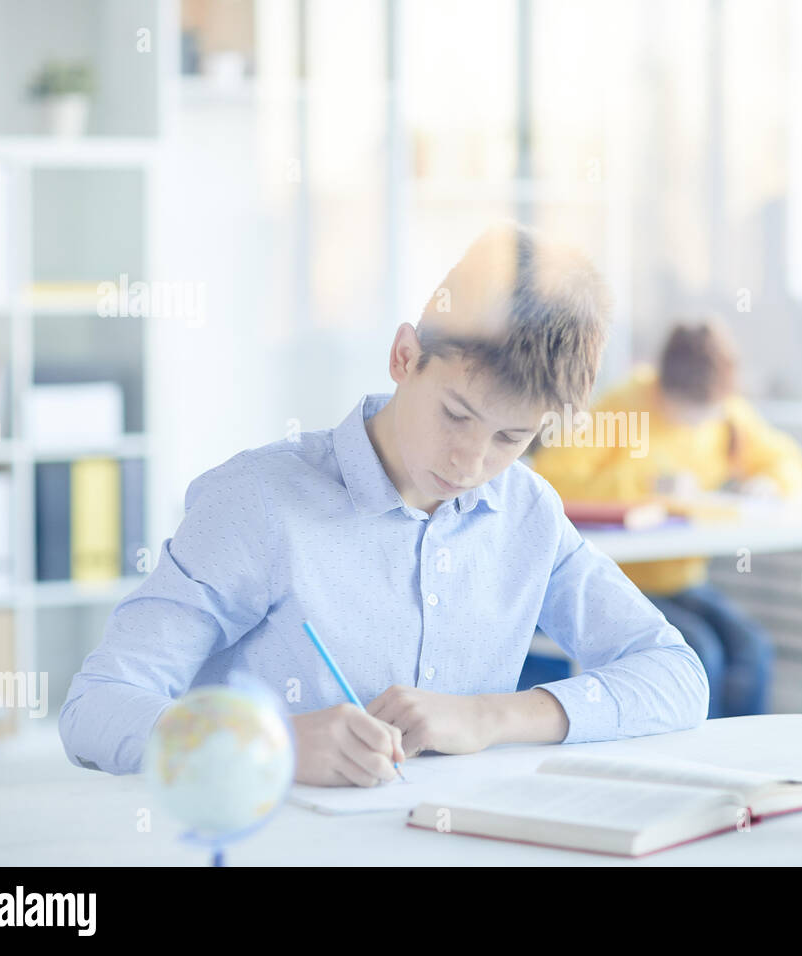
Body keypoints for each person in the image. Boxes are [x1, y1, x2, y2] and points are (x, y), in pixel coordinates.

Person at [59, 222, 709, 784]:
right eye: (456, 414)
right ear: (405, 356)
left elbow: (676, 676)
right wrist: (269, 746)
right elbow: (97, 706)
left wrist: (487, 717)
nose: (470, 462)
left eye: (511, 438)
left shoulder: (527, 512)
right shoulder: (258, 502)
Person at [531, 319, 802, 718]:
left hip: (684, 581)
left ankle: (747, 765)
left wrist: (771, 480)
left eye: (706, 413)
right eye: (685, 410)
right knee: (701, 651)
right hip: (624, 580)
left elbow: (788, 460)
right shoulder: (623, 404)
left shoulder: (727, 413)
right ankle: (697, 767)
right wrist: (646, 485)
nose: (695, 423)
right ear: (663, 386)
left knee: (753, 647)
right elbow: (550, 478)